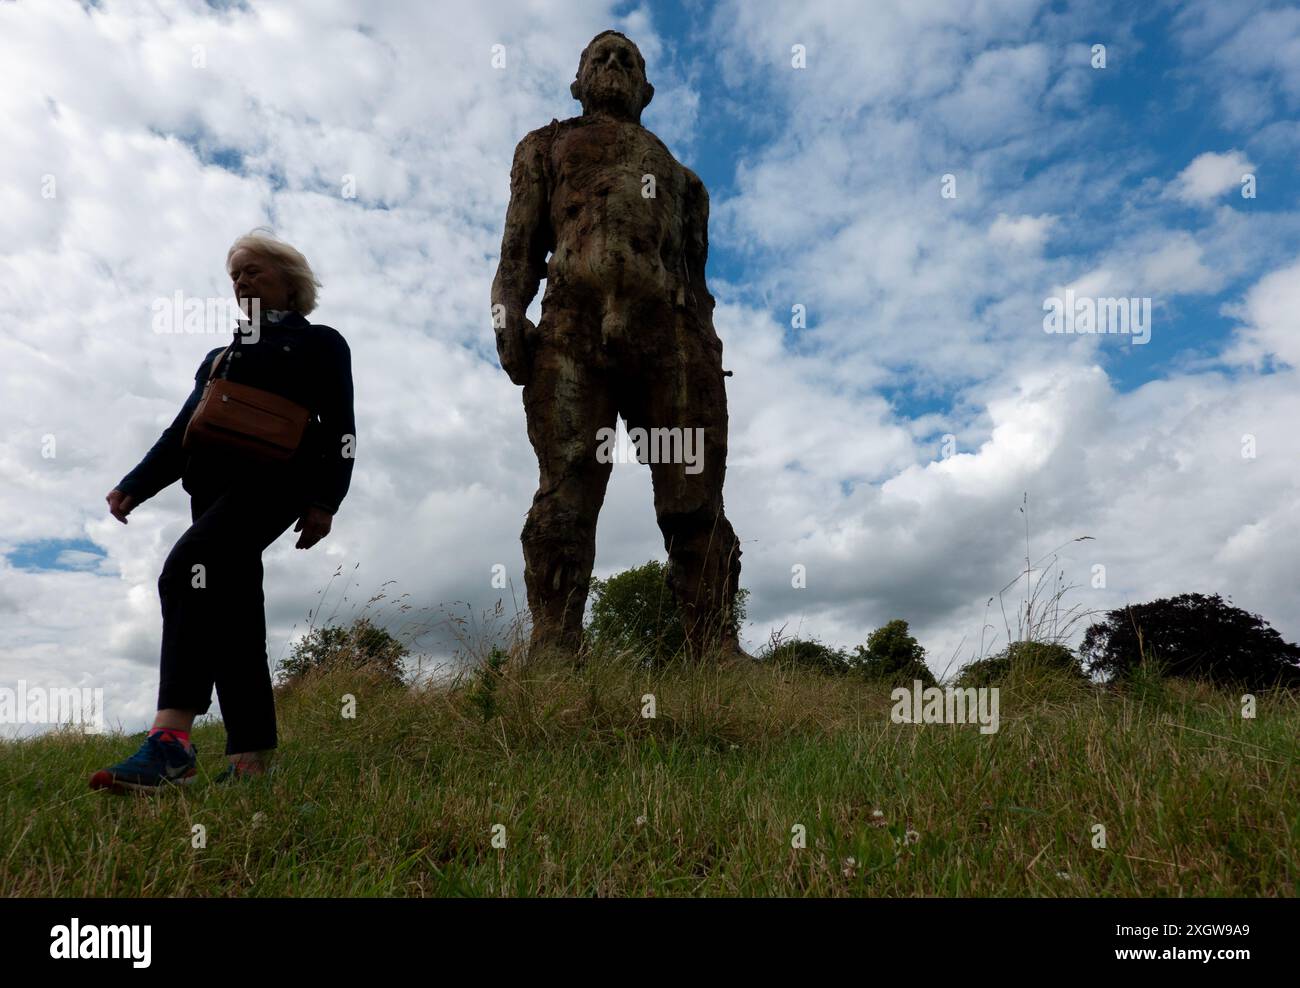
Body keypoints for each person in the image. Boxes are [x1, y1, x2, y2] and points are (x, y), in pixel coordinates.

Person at [92, 230, 355, 792]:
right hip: (211, 493)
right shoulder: (218, 358)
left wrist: (325, 500)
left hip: (277, 482)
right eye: (235, 273)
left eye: (254, 270)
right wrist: (135, 486)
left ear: (290, 283)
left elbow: (340, 428)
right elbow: (181, 432)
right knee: (235, 618)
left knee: (186, 569)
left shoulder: (323, 344)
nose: (241, 280)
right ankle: (249, 760)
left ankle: (171, 743)